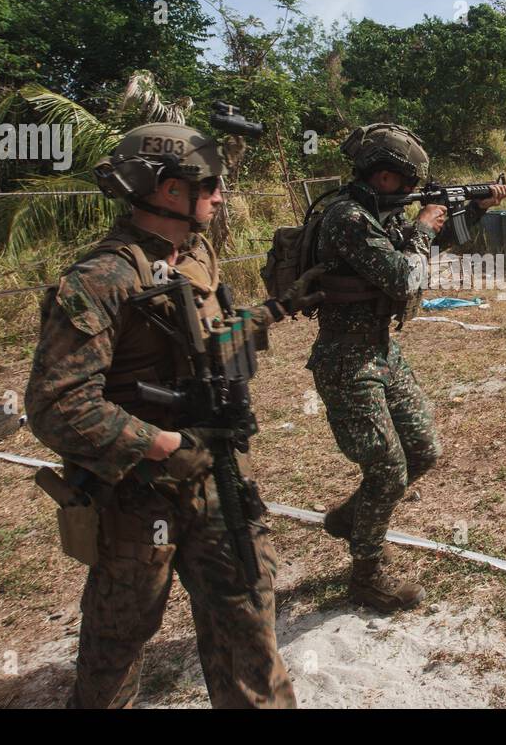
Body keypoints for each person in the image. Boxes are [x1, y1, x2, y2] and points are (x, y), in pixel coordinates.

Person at [26, 121, 311, 708]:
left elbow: (208, 343)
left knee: (248, 621)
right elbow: (58, 404)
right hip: (137, 497)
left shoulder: (194, 255)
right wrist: (160, 444)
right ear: (167, 190)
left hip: (217, 480)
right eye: (210, 186)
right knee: (117, 641)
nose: (221, 197)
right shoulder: (101, 278)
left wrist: (273, 311)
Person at [307, 123, 506, 612]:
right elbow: (403, 276)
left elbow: (434, 251)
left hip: (381, 349)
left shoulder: (380, 213)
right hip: (347, 358)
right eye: (407, 182)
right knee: (388, 471)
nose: (413, 191)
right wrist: (422, 226)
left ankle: (349, 519)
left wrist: (474, 209)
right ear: (382, 176)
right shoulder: (347, 217)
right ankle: (368, 574)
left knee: (422, 451)